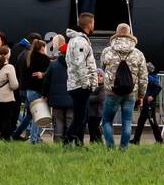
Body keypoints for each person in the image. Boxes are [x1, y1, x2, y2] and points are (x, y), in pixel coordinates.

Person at [99, 22, 147, 149]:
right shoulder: (138, 53)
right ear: (129, 34)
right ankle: (123, 148)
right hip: (130, 93)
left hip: (111, 92)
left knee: (107, 121)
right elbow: (143, 77)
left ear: (116, 33)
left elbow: (102, 68)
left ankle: (110, 147)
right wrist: (141, 95)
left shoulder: (107, 51)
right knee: (127, 122)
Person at [62, 14, 100, 145]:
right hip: (80, 86)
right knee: (79, 118)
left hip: (76, 84)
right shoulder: (80, 41)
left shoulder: (76, 40)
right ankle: (67, 142)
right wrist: (86, 84)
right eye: (93, 23)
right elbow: (80, 63)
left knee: (81, 118)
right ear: (89, 24)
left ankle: (79, 143)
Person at [18, 36, 50, 144]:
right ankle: (34, 138)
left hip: (28, 91)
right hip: (37, 91)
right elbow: (49, 74)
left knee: (31, 114)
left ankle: (24, 135)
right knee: (39, 116)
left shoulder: (29, 57)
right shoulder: (44, 59)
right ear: (42, 48)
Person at [43, 36, 73, 143]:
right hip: (72, 98)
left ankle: (57, 144)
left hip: (56, 100)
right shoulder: (75, 65)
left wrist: (45, 95)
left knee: (58, 122)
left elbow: (46, 81)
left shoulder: (53, 64)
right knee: (70, 121)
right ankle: (69, 144)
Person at [132, 61, 164, 144]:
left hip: (149, 105)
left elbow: (159, 87)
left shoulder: (150, 78)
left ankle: (159, 141)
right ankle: (136, 140)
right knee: (141, 122)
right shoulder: (148, 77)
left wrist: (152, 96)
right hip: (146, 104)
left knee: (153, 123)